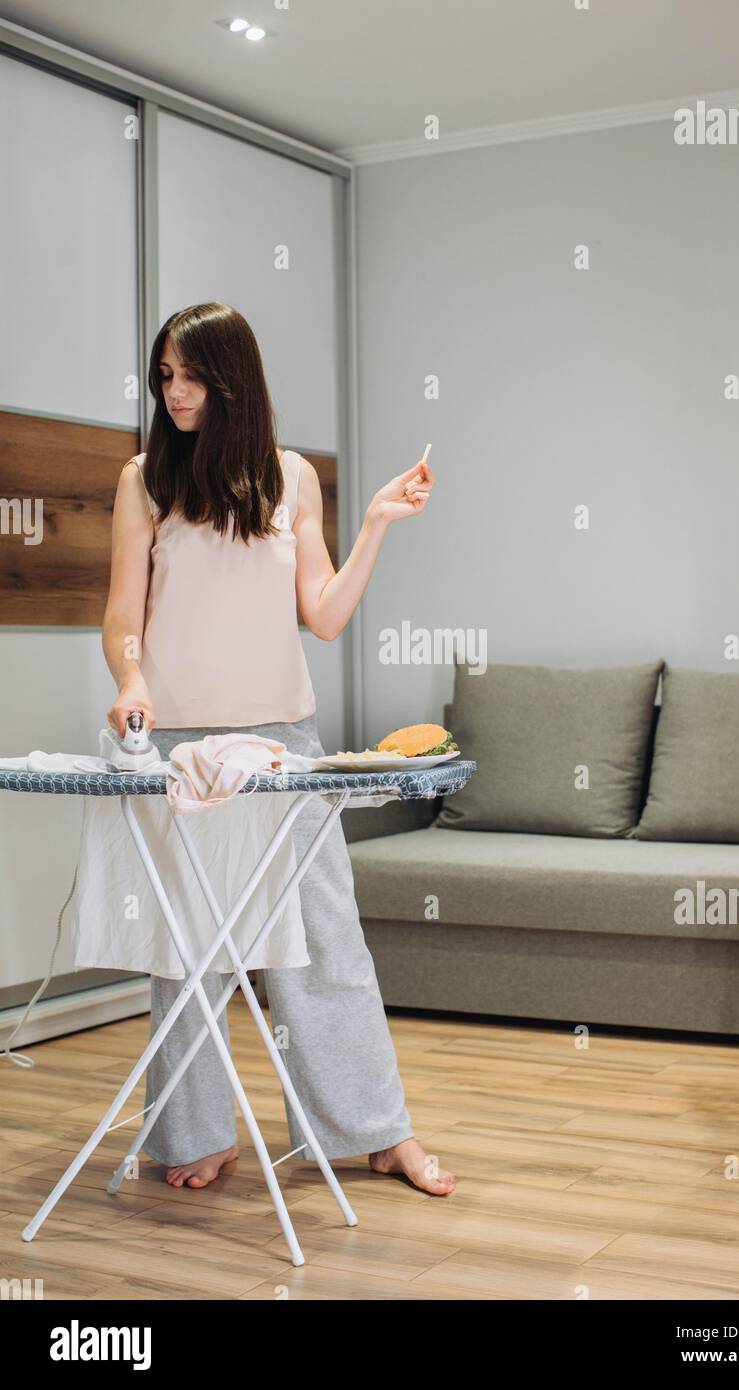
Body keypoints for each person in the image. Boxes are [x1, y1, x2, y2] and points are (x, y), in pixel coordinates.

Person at [101, 300, 455, 1196]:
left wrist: (375, 523)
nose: (175, 392)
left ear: (233, 379)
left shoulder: (291, 479)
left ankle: (375, 1132)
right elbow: (122, 615)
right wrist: (131, 678)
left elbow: (324, 616)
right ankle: (194, 1133)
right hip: (180, 746)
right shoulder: (144, 480)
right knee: (188, 951)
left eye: (191, 375)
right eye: (165, 376)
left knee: (325, 941)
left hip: (284, 744)